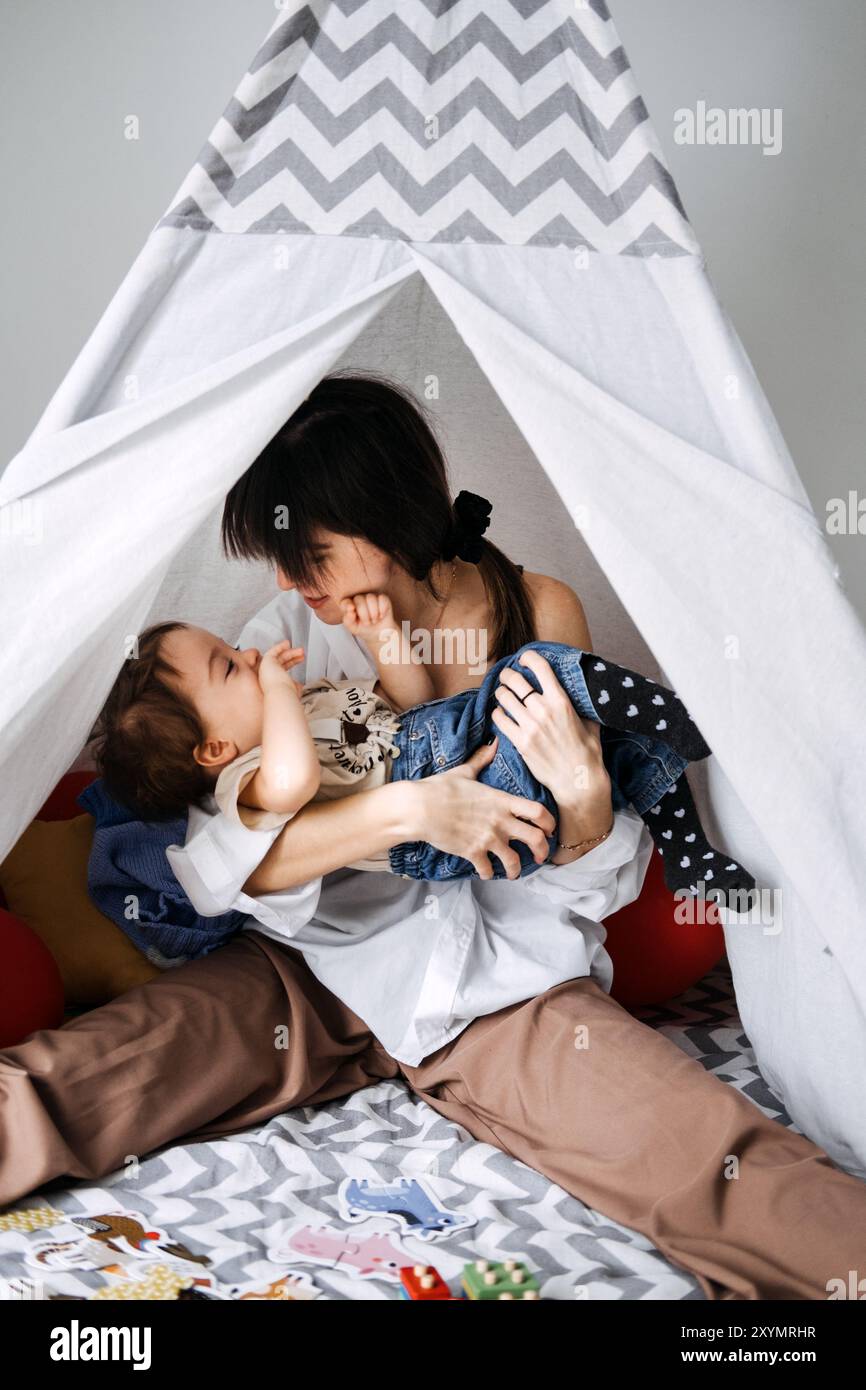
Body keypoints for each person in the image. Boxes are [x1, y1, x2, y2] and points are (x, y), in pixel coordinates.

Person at [2, 371, 866, 1303]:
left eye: (312, 555)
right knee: (91, 1072)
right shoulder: (290, 632)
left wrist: (581, 800)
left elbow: (587, 874)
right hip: (315, 973)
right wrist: (405, 814)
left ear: (383, 519)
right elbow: (225, 863)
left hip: (497, 988)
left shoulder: (542, 616)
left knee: (709, 1155)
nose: (293, 584)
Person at [89, 584, 754, 898]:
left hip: (442, 741)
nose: (249, 652)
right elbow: (298, 783)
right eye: (230, 664)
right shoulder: (253, 779)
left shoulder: (315, 698)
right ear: (214, 752)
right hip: (434, 812)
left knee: (613, 751)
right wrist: (278, 692)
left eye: (236, 648)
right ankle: (689, 717)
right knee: (537, 671)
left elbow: (408, 703)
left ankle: (688, 852)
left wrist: (383, 643)